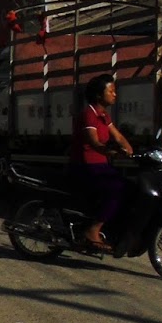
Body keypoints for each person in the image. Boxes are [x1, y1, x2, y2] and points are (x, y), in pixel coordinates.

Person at [70, 73, 133, 250]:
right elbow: (94, 142)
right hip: (86, 166)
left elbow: (118, 136)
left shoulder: (104, 116)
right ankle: (93, 230)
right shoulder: (88, 115)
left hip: (100, 166)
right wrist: (112, 152)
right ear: (99, 95)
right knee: (116, 189)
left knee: (130, 187)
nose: (115, 94)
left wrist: (129, 149)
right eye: (111, 91)